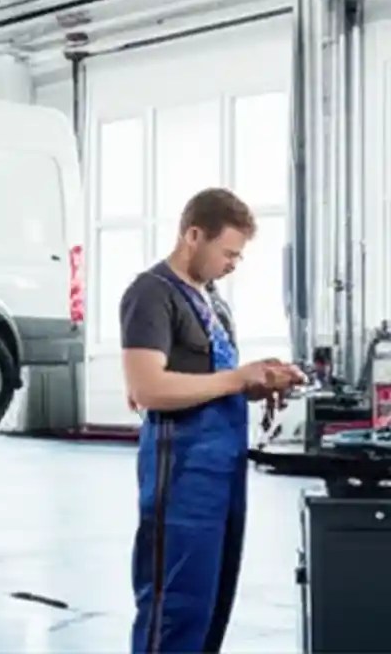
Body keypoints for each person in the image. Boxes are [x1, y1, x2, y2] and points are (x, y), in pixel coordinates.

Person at [118, 187, 305, 653]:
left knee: (210, 606)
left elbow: (214, 379)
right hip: (179, 474)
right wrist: (238, 380)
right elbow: (147, 389)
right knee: (174, 609)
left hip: (223, 472)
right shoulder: (152, 294)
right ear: (193, 235)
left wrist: (261, 380)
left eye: (239, 257)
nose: (232, 265)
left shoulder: (213, 300)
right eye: (228, 253)